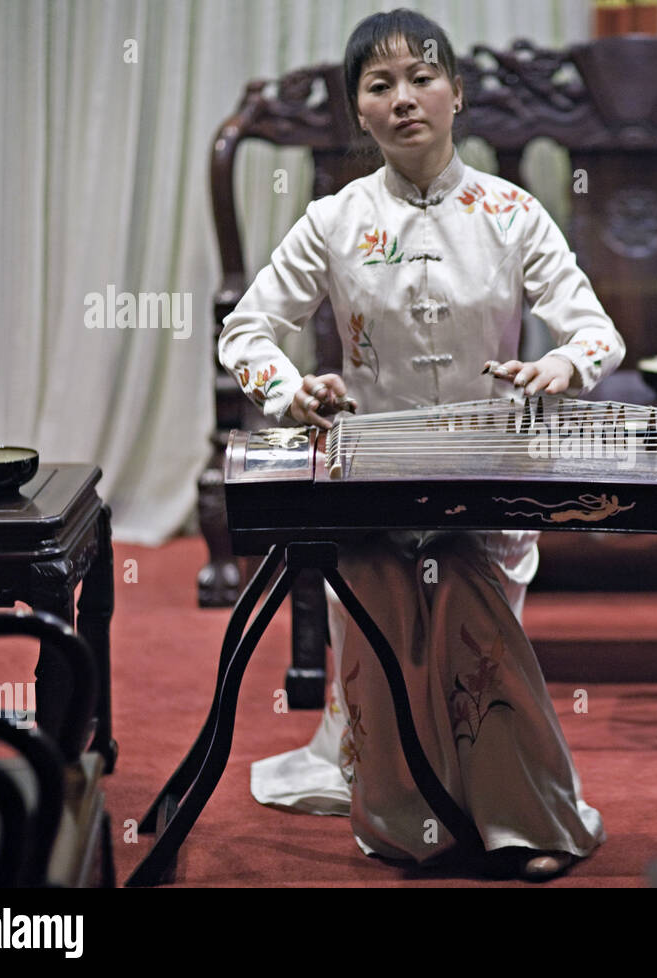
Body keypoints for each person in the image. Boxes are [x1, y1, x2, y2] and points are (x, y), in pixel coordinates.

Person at [217, 9, 624, 881]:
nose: (404, 99)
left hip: (487, 478)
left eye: (423, 78)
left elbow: (597, 332)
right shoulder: (334, 220)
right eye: (379, 85)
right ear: (358, 111)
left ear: (456, 94)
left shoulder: (511, 213)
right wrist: (293, 392)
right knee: (381, 628)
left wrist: (560, 364)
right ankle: (410, 827)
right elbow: (244, 332)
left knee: (478, 641)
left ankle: (531, 825)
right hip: (369, 477)